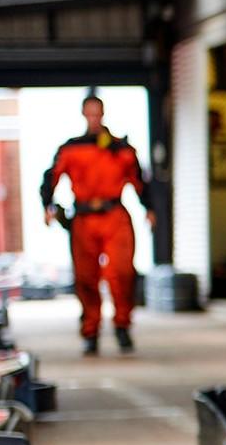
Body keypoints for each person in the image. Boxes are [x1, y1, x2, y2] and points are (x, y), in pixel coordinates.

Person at [40, 95, 154, 355]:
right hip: (83, 219)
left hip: (115, 216)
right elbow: (51, 177)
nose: (94, 118)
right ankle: (90, 330)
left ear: (103, 114)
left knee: (122, 273)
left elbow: (139, 180)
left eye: (97, 114)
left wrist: (149, 208)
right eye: (89, 114)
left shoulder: (121, 149)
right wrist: (47, 205)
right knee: (86, 277)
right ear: (84, 115)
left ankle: (122, 325)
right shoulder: (71, 148)